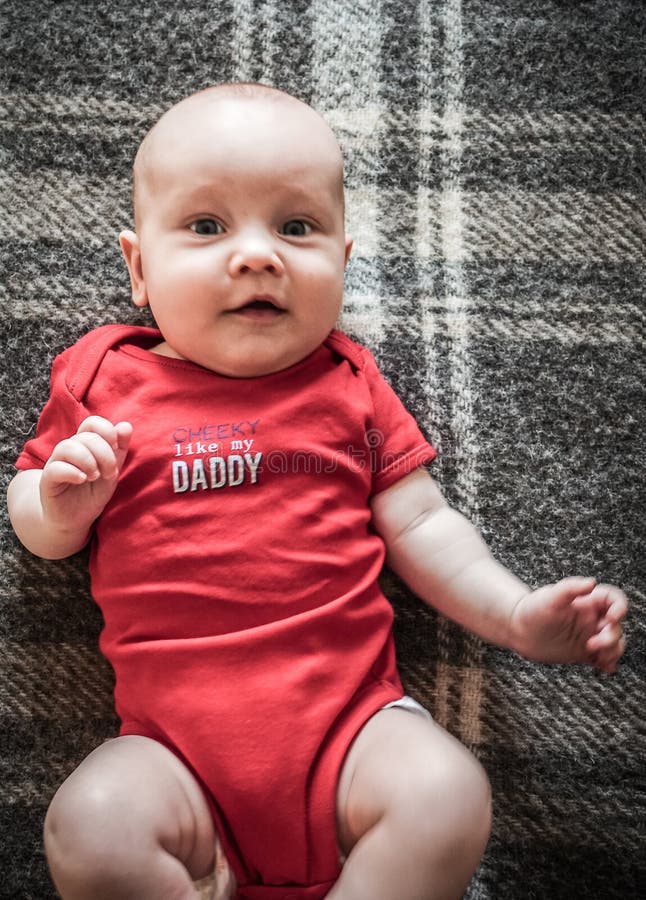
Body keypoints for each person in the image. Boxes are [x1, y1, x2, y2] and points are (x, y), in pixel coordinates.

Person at [7, 83, 627, 900]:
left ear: (343, 260)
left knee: (446, 793)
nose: (257, 256)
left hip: (353, 738)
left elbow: (424, 524)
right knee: (89, 823)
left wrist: (515, 615)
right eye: (206, 226)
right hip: (174, 763)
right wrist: (60, 507)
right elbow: (32, 519)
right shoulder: (103, 378)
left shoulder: (348, 382)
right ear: (139, 268)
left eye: (296, 228)